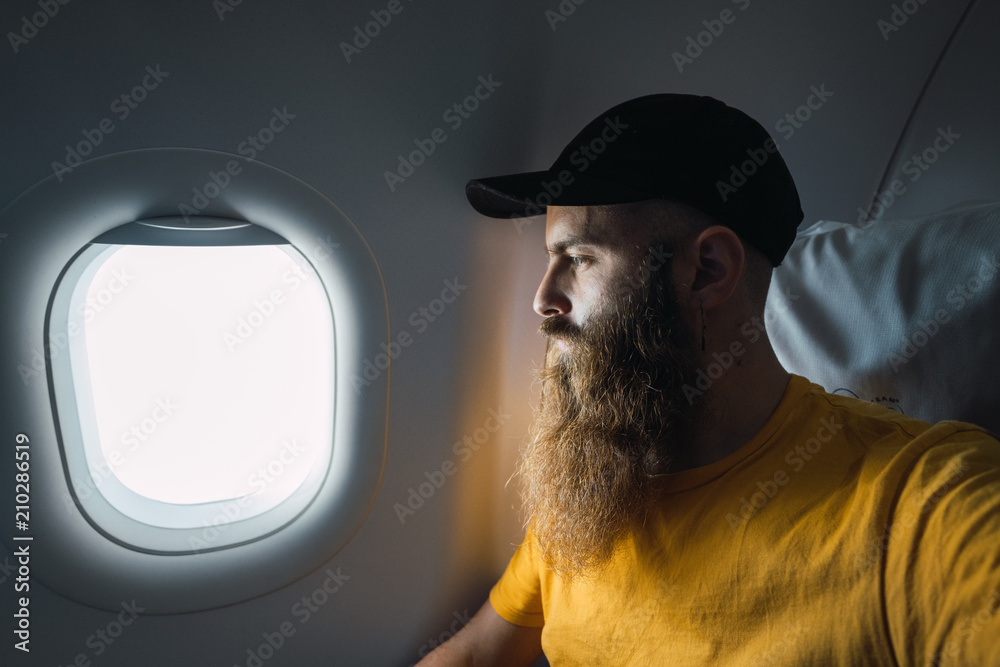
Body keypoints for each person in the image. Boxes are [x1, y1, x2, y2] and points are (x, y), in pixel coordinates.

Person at [417, 94, 1000, 665]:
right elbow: (474, 657)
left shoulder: (927, 506)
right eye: (550, 258)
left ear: (707, 271)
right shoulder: (591, 487)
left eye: (581, 257)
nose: (543, 298)